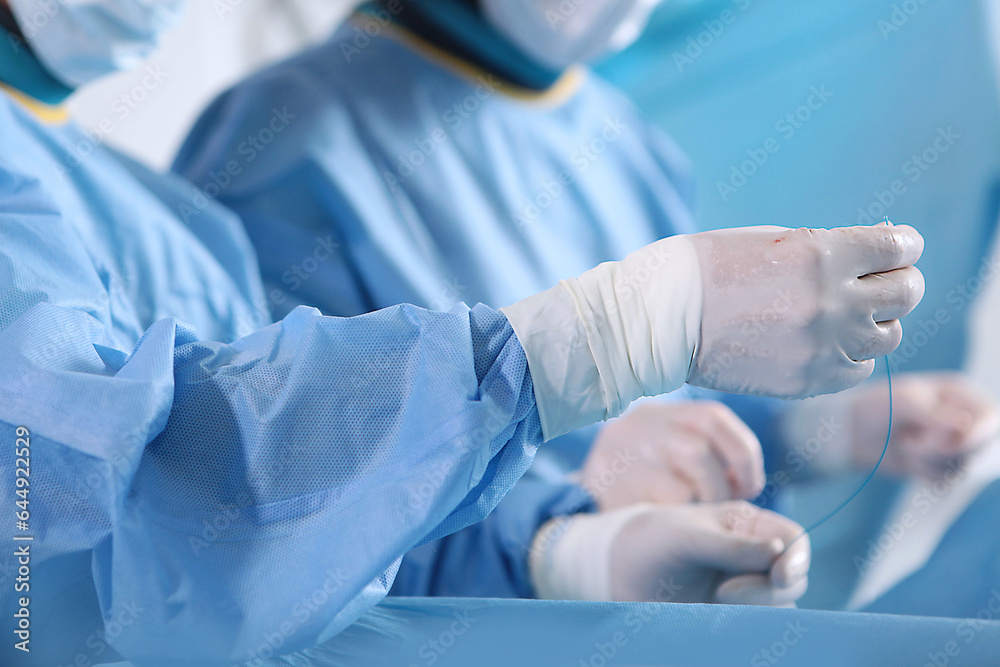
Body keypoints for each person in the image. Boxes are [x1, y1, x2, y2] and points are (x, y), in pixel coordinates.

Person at [0, 0, 922, 664]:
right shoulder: (285, 138)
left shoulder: (156, 214)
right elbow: (101, 551)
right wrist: (596, 343)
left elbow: (328, 517)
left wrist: (563, 552)